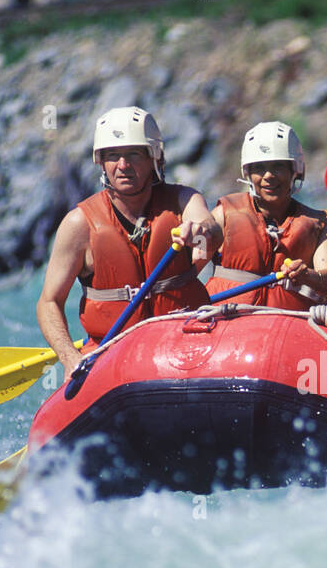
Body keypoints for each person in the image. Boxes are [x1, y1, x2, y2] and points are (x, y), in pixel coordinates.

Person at [37, 106, 215, 380]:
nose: (122, 165)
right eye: (112, 156)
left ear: (153, 157)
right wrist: (69, 357)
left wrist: (199, 230)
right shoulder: (78, 225)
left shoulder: (184, 201)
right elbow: (49, 301)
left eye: (133, 154)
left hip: (186, 343)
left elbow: (209, 229)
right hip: (114, 354)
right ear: (101, 162)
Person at [204, 120, 327, 309]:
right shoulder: (223, 215)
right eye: (259, 168)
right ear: (248, 173)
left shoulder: (319, 224)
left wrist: (306, 275)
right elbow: (191, 270)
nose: (268, 176)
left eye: (278, 166)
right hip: (228, 323)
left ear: (295, 171)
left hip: (286, 328)